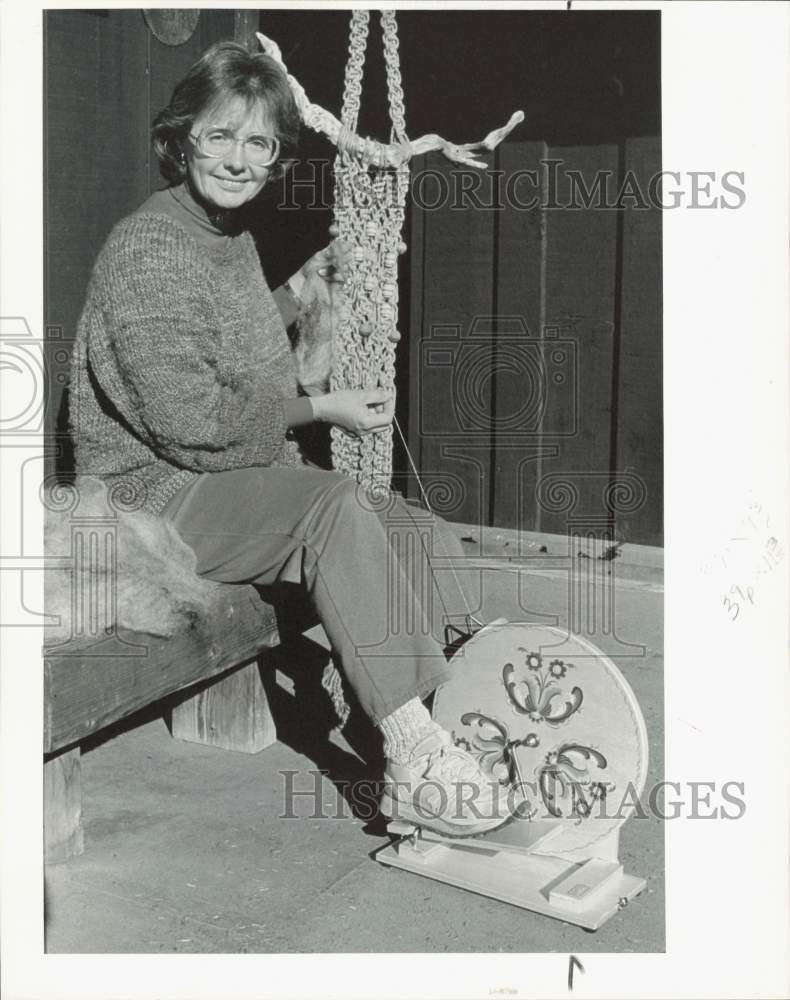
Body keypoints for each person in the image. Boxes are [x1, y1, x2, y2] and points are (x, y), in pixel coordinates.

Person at [69, 40, 512, 838]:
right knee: (331, 509)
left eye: (260, 143)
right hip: (149, 499)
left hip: (221, 477)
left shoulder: (230, 240)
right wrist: (319, 410)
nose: (239, 160)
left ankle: (456, 712)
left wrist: (316, 315)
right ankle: (416, 759)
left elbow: (249, 374)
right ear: (180, 139)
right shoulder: (147, 247)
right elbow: (190, 424)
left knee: (409, 526)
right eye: (220, 135)